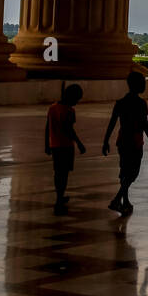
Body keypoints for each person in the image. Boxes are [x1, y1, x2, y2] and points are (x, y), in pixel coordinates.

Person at [102, 71, 148, 215]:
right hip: (135, 141)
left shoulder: (120, 103)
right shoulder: (141, 103)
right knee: (133, 172)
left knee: (125, 170)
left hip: (122, 140)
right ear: (138, 85)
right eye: (143, 83)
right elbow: (145, 124)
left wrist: (106, 141)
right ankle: (118, 198)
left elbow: (112, 123)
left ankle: (124, 200)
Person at [45, 84, 86, 215]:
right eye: (77, 99)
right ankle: (59, 198)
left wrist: (47, 144)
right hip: (66, 146)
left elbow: (47, 127)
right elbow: (69, 129)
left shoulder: (52, 108)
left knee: (58, 173)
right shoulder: (69, 111)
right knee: (64, 174)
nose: (77, 102)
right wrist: (79, 143)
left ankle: (59, 196)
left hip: (55, 146)